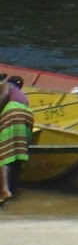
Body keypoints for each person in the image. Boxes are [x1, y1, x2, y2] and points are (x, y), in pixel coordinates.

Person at [0, 75, 33, 204]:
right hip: (27, 115)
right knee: (16, 155)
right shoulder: (22, 96)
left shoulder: (7, 86)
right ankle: (12, 189)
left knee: (4, 153)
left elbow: (4, 94)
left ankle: (4, 191)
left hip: (13, 114)